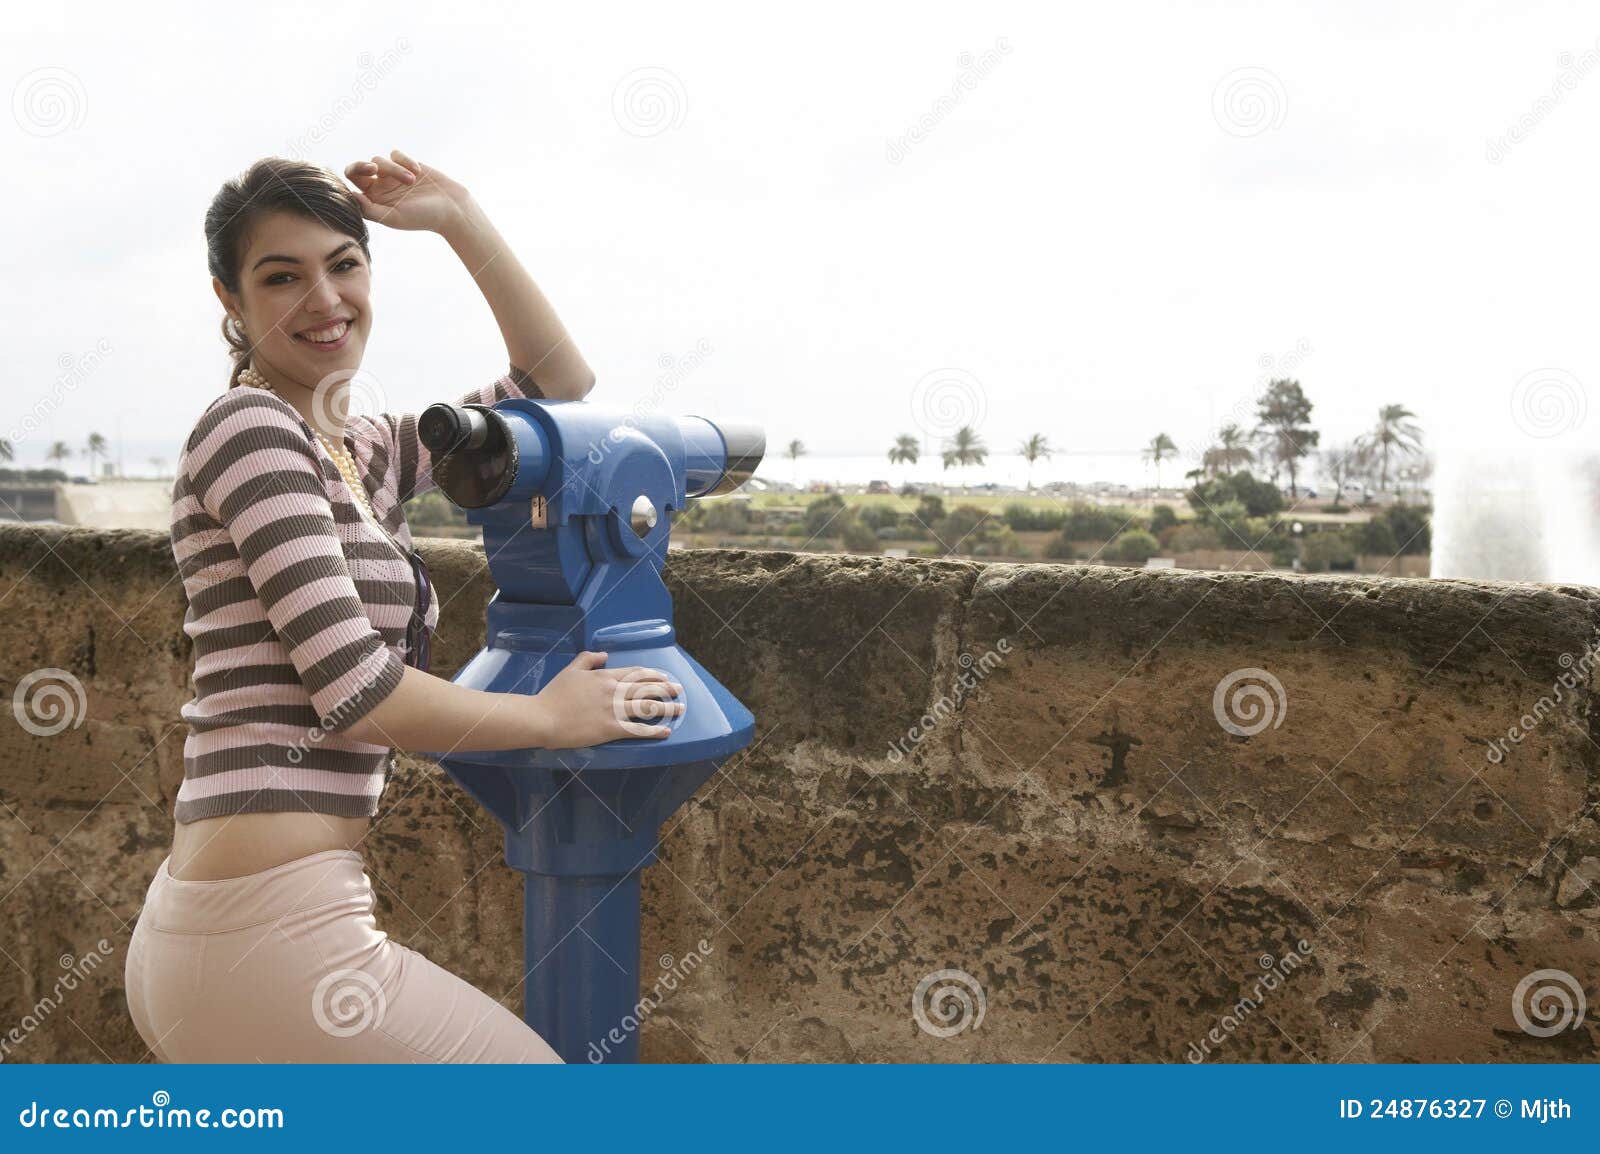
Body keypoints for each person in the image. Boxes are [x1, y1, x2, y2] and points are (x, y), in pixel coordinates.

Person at [123, 150, 683, 1063]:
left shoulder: (360, 450)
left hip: (254, 923)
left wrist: (461, 216)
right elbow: (358, 691)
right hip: (262, 931)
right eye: (282, 276)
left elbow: (557, 384)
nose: (324, 297)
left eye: (344, 264)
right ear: (231, 299)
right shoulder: (250, 428)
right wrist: (545, 718)